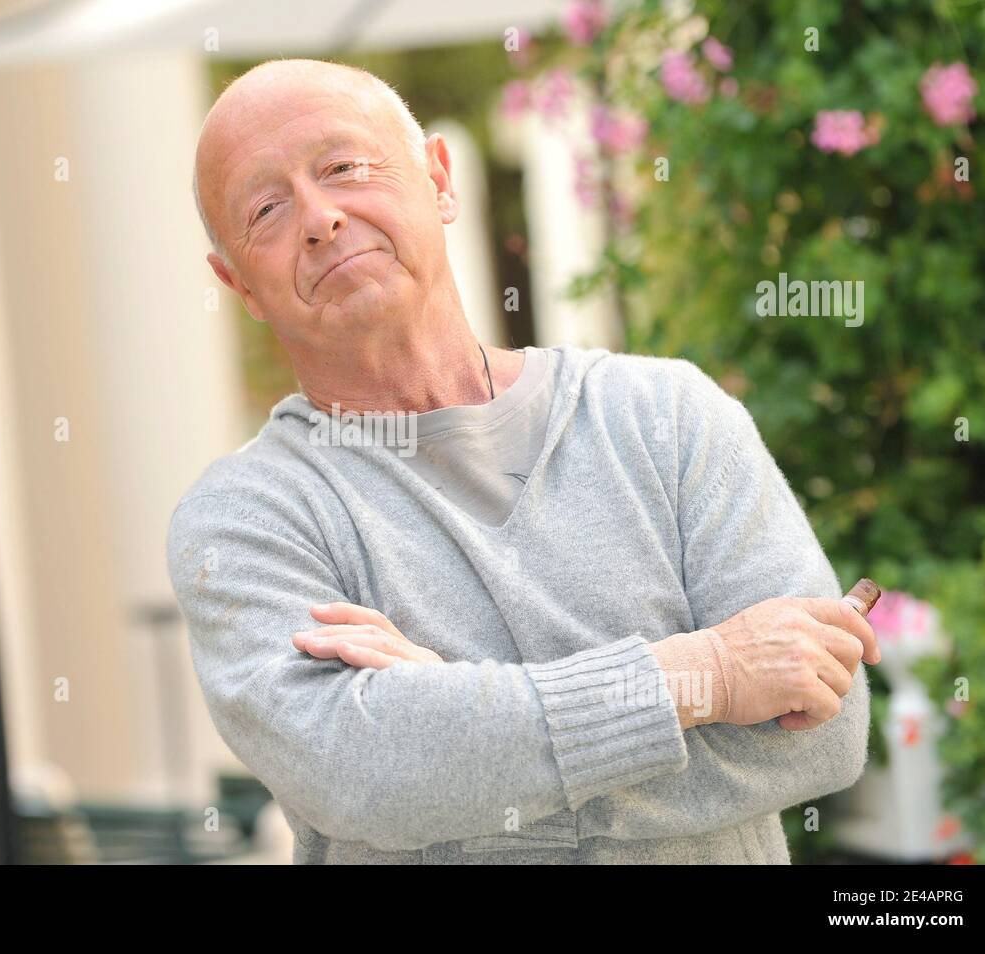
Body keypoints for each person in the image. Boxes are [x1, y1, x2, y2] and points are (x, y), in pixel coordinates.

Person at [167, 58, 879, 863]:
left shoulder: (669, 418)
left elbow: (824, 736)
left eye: (344, 167)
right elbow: (366, 778)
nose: (319, 216)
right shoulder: (245, 518)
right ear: (238, 284)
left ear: (437, 178)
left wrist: (461, 737)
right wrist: (704, 676)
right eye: (266, 208)